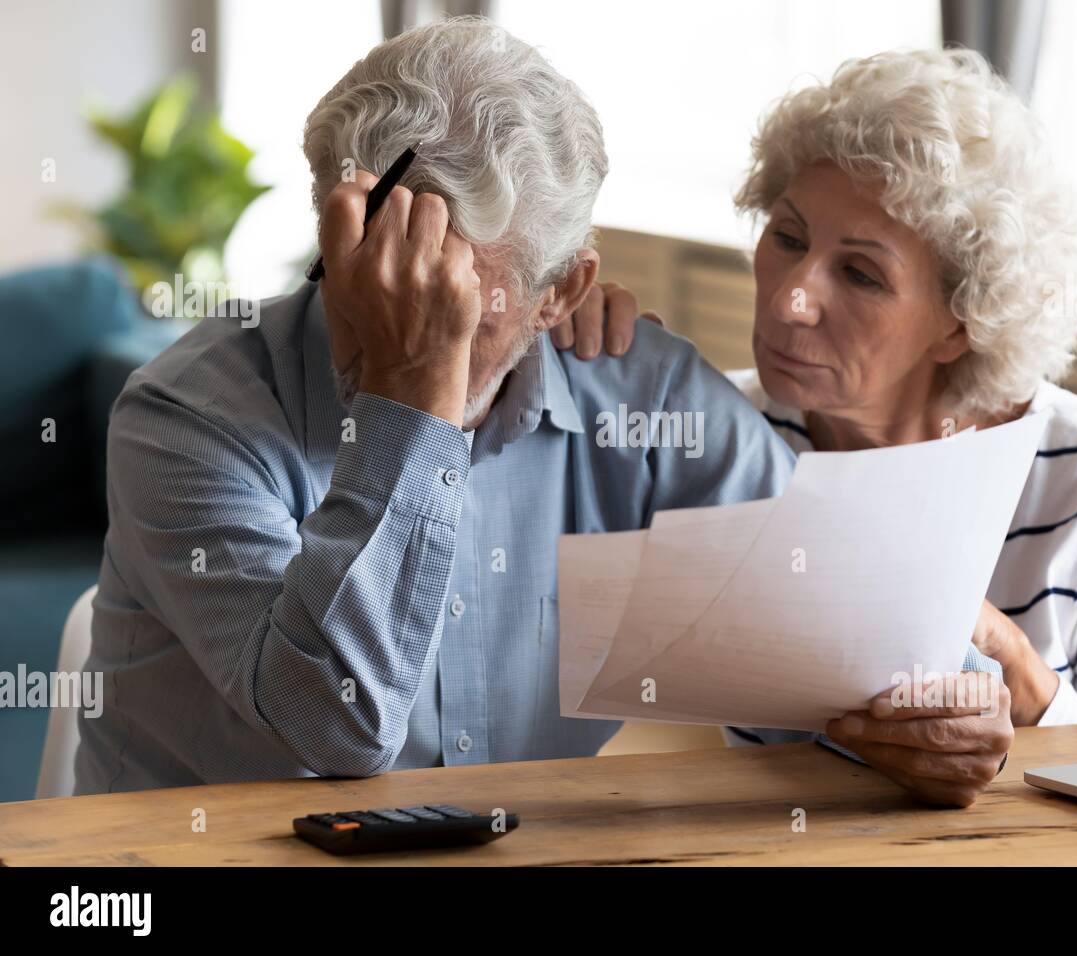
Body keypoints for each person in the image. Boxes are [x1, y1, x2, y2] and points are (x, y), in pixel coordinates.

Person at [77, 20, 1011, 808]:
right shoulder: (186, 419)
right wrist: (413, 402)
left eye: (448, 306)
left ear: (562, 293)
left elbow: (848, 658)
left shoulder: (644, 405)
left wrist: (940, 715)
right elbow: (334, 727)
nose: (390, 327)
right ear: (332, 222)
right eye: (370, 276)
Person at [558, 49, 1077, 762]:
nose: (790, 300)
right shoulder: (726, 436)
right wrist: (563, 346)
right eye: (788, 238)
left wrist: (1023, 681)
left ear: (962, 322)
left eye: (862, 274)